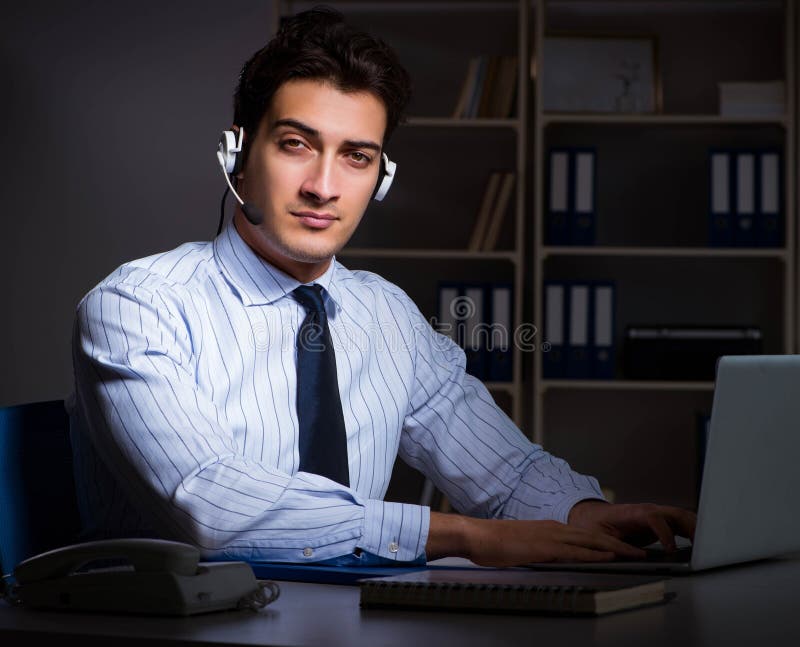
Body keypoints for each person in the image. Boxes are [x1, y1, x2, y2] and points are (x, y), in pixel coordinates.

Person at [68, 7, 695, 569]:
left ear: (381, 178)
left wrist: (581, 511)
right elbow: (212, 506)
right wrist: (466, 537)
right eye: (295, 145)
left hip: (356, 617)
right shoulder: (139, 306)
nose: (323, 185)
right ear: (237, 152)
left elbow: (499, 468)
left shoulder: (386, 314)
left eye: (356, 157)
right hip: (182, 630)